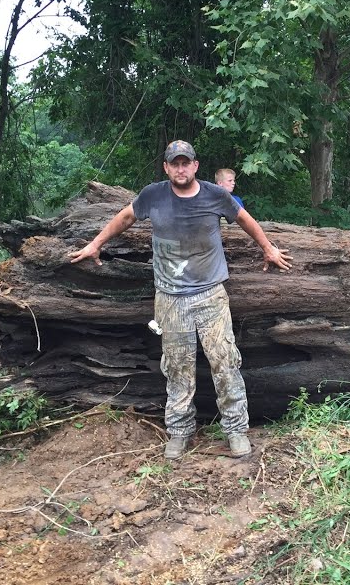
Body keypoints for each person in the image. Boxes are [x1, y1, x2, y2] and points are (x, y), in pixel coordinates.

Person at [68, 140, 292, 460]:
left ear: (196, 166)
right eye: (175, 163)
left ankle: (235, 430)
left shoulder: (215, 195)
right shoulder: (153, 195)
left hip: (210, 293)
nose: (181, 168)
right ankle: (179, 432)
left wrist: (268, 248)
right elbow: (125, 217)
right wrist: (96, 244)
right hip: (170, 297)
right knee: (177, 368)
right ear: (167, 168)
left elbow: (243, 218)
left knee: (225, 361)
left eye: (186, 163)